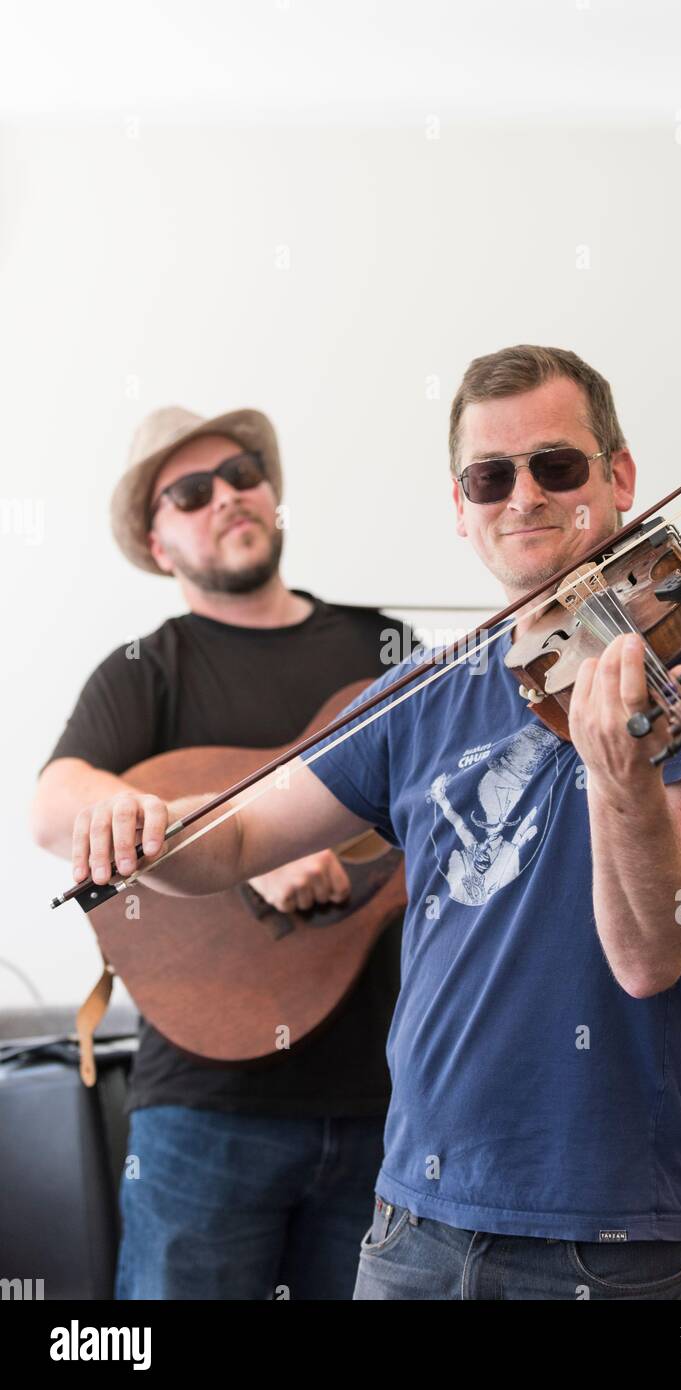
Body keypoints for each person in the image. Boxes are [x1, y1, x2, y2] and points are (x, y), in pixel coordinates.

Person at [66, 348, 681, 1300]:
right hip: (411, 1223)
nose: (522, 495)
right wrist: (145, 826)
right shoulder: (420, 689)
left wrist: (619, 780)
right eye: (490, 476)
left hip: (606, 1237)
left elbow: (652, 956)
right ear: (460, 507)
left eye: (556, 467)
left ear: (619, 478)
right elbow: (235, 838)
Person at [32, 405, 411, 1300]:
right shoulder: (147, 667)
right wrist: (238, 847)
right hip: (203, 1109)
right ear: (158, 542)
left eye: (243, 474)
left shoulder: (385, 648)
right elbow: (54, 805)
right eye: (191, 492)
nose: (227, 498)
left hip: (389, 1106)